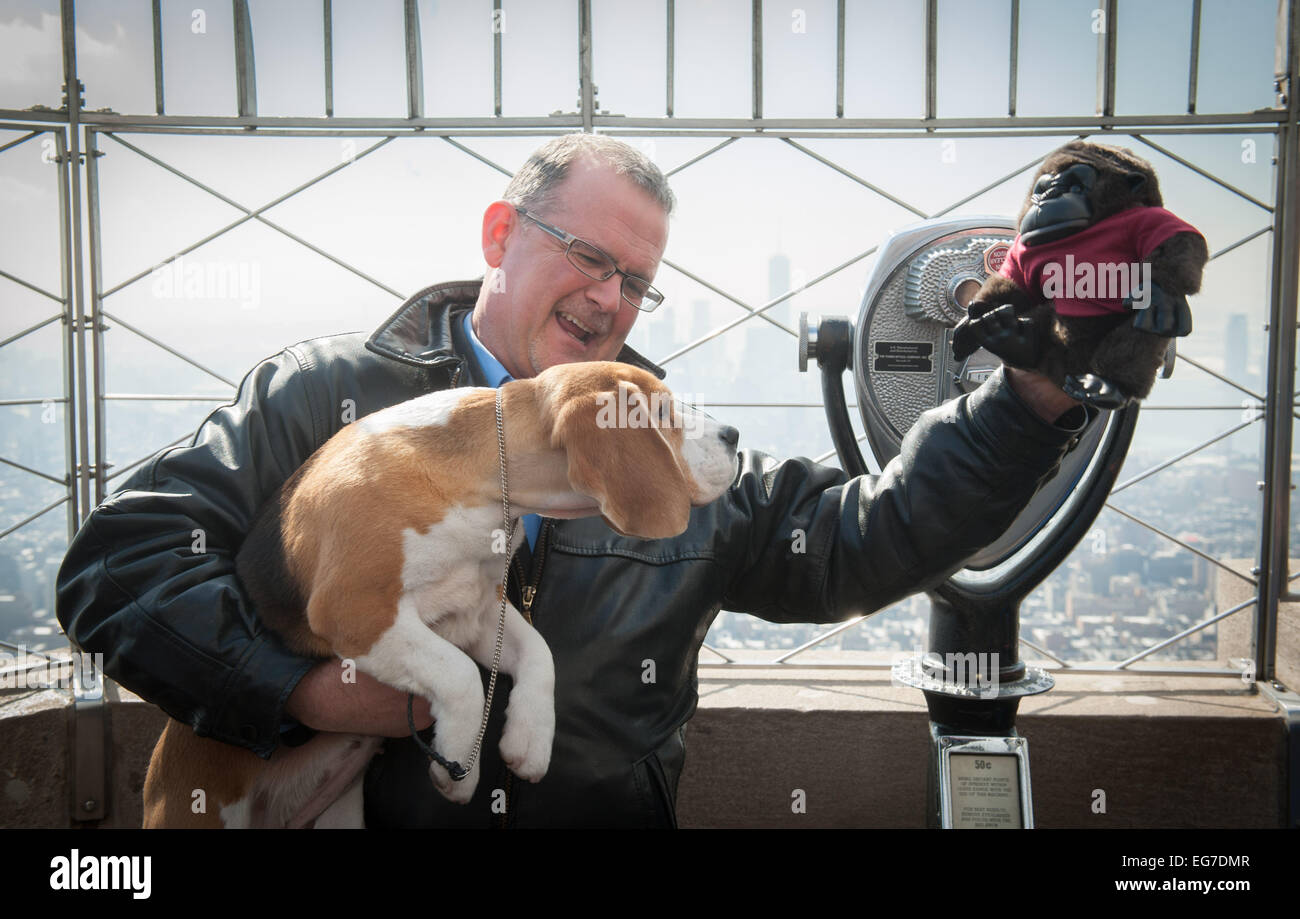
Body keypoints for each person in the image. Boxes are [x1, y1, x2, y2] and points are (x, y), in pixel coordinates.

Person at [56, 134, 1085, 827]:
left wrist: (1030, 398)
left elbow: (862, 539)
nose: (608, 298)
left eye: (635, 280)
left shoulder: (661, 443)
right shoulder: (323, 403)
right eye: (588, 256)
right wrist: (310, 693)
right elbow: (120, 568)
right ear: (500, 236)